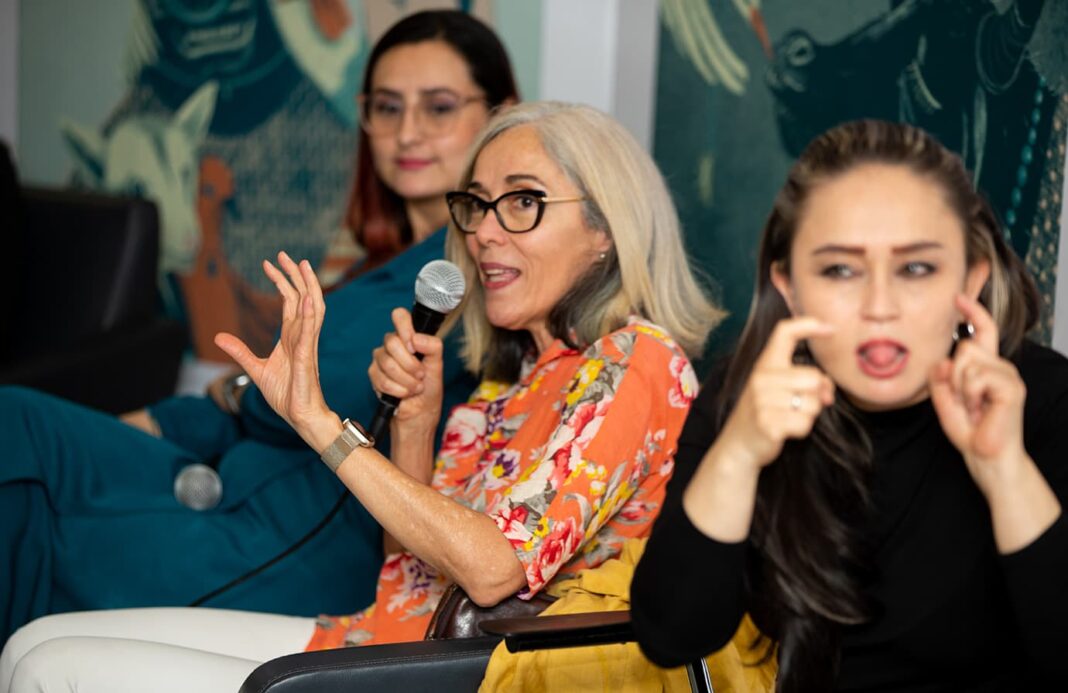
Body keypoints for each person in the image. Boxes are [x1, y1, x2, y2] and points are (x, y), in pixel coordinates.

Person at [1, 101, 724, 693]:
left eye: (523, 204)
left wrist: (318, 421)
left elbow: (495, 568)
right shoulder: (508, 382)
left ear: (604, 229)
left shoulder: (633, 360)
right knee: (33, 640)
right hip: (389, 632)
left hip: (482, 674)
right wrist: (414, 423)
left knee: (47, 669)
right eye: (475, 205)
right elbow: (413, 560)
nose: (482, 233)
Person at [0, 9, 519, 643]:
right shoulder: (369, 263)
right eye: (386, 108)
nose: (407, 132)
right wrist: (160, 421)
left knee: (31, 513)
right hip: (225, 470)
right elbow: (263, 398)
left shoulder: (472, 270)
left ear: (500, 115)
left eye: (438, 108)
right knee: (18, 421)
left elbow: (299, 400)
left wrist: (238, 393)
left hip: (299, 533)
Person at [631, 119, 1067, 691]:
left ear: (972, 277)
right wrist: (737, 456)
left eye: (916, 268)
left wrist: (1003, 468)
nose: (879, 305)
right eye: (840, 269)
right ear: (788, 286)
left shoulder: (1043, 398)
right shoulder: (752, 399)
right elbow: (672, 636)